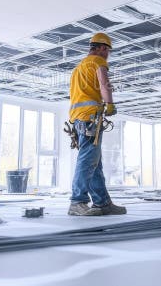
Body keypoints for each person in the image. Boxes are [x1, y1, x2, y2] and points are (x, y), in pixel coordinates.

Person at [67, 33, 126, 216]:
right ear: (100, 48)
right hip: (90, 118)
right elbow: (104, 83)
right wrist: (110, 104)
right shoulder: (97, 62)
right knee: (87, 160)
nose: (107, 55)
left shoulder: (78, 68)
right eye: (107, 50)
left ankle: (102, 203)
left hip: (78, 119)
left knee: (94, 163)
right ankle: (77, 201)